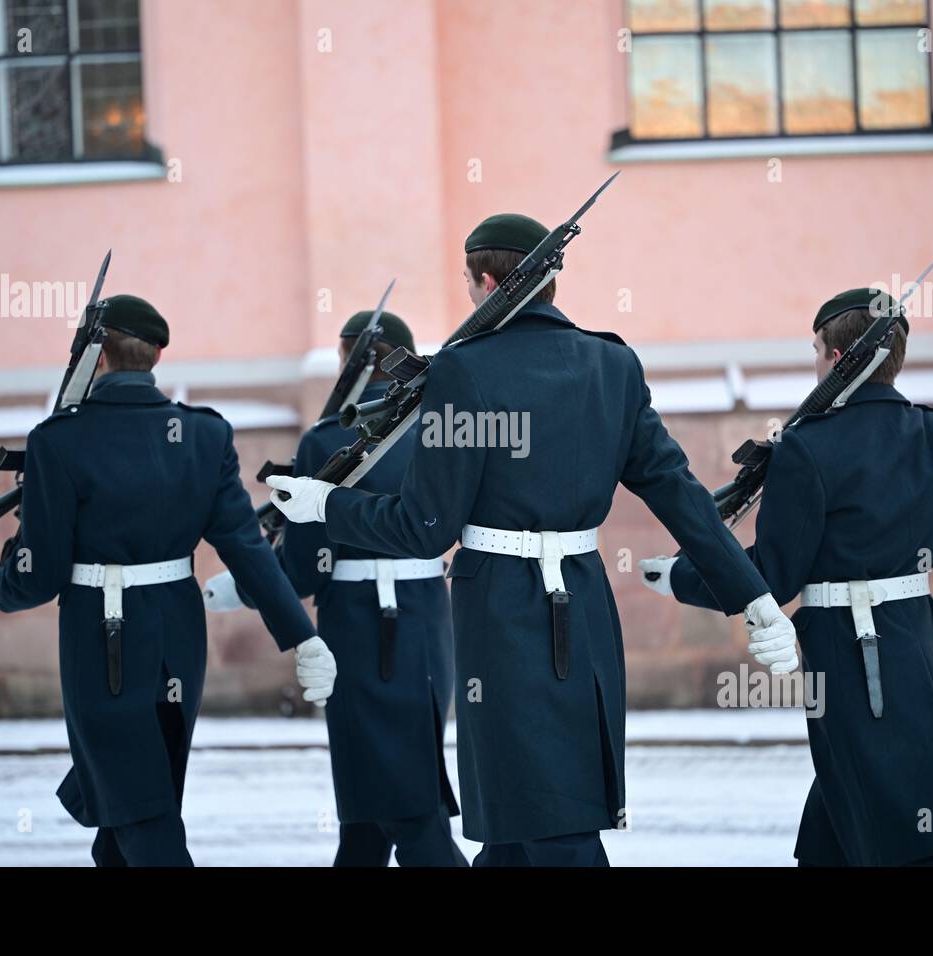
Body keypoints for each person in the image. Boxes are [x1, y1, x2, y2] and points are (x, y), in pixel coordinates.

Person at [266, 214, 797, 867]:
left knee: (551, 822)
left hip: (500, 609)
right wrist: (753, 595)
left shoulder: (463, 372)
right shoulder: (614, 365)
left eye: (468, 281)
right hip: (585, 597)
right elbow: (679, 495)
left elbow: (423, 528)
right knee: (523, 824)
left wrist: (327, 504)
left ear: (489, 280)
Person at [640, 287, 933, 866]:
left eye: (817, 350)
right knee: (851, 810)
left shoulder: (808, 448)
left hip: (849, 658)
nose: (814, 362)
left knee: (907, 829)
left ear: (839, 359)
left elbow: (774, 572)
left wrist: (684, 576)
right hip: (919, 643)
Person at [0, 295, 336, 867]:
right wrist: (300, 635)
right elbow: (247, 548)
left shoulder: (59, 439)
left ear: (97, 356)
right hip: (179, 639)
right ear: (158, 354)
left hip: (101, 642)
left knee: (142, 817)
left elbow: (42, 571)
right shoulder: (204, 436)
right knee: (129, 812)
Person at [207, 311, 466, 867]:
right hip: (428, 623)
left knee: (402, 803)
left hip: (360, 627)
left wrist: (248, 586)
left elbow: (305, 568)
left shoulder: (325, 439)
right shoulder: (438, 429)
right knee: (370, 810)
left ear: (350, 359)